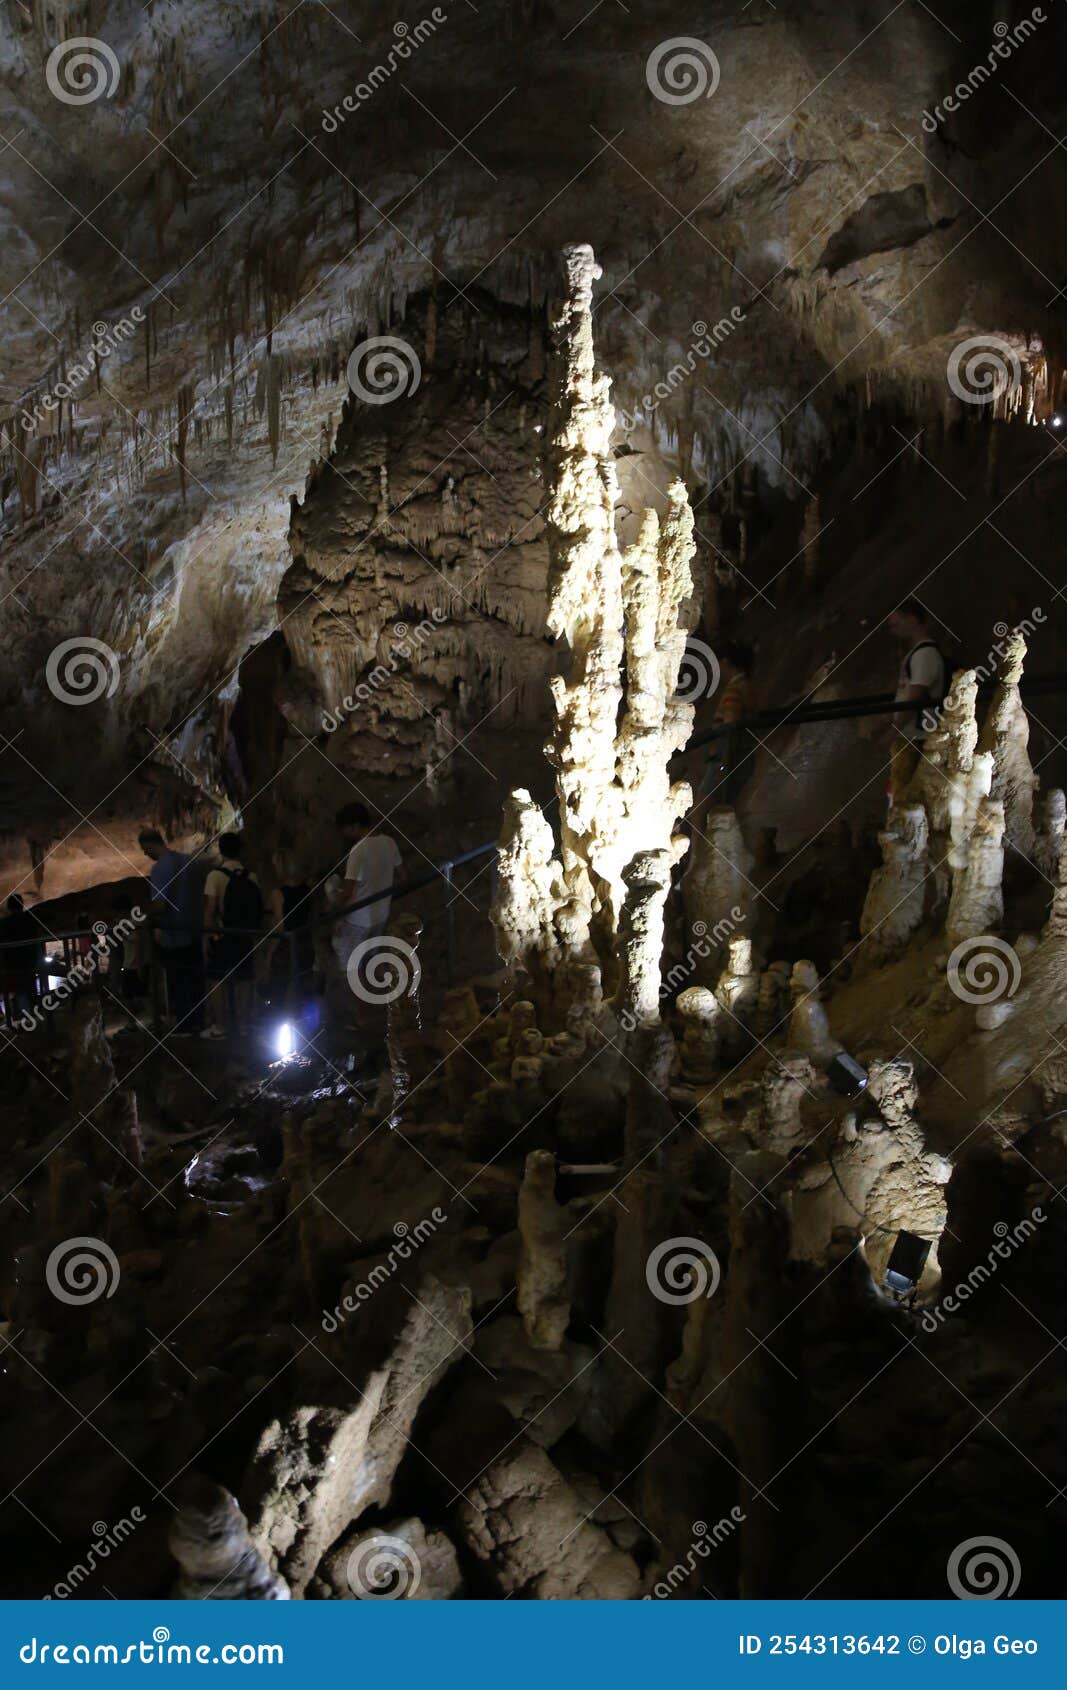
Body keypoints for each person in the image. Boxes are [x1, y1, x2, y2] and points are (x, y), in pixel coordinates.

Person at [329, 803, 405, 1008]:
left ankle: (360, 1016)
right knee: (373, 958)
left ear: (354, 826)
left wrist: (332, 909)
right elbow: (402, 877)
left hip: (357, 920)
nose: (343, 834)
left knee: (351, 967)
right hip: (381, 915)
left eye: (344, 829)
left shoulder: (358, 851)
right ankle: (393, 1004)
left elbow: (347, 892)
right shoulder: (390, 843)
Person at [139, 827, 206, 1034]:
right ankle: (199, 1021)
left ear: (151, 845)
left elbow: (160, 905)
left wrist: (143, 913)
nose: (144, 854)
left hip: (174, 934)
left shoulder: (160, 868)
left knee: (177, 981)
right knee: (196, 980)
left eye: (144, 849)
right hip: (194, 930)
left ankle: (183, 1024)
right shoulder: (189, 862)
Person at [202, 834, 263, 1038]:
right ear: (241, 850)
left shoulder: (215, 876)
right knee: (244, 980)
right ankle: (244, 1025)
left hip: (223, 935)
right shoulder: (251, 877)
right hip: (245, 936)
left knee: (217, 979)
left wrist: (206, 937)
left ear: (220, 850)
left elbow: (210, 909)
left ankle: (221, 1026)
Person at [884, 599, 947, 794]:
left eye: (895, 624)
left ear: (911, 619)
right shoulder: (917, 653)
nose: (893, 631)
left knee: (907, 793)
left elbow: (915, 699)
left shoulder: (924, 654)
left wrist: (892, 732)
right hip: (911, 735)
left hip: (917, 737)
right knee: (901, 790)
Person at [695, 641, 757, 815]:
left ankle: (698, 842)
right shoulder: (747, 685)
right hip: (742, 756)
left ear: (726, 662)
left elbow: (729, 727)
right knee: (725, 807)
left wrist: (722, 763)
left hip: (726, 757)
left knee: (701, 808)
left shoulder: (734, 690)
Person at [0, 894, 44, 1022]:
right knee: (30, 987)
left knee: (19, 990)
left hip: (13, 963)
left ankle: (23, 1018)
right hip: (30, 960)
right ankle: (34, 1014)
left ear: (9, 907)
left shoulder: (5, 923)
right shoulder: (30, 919)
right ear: (21, 905)